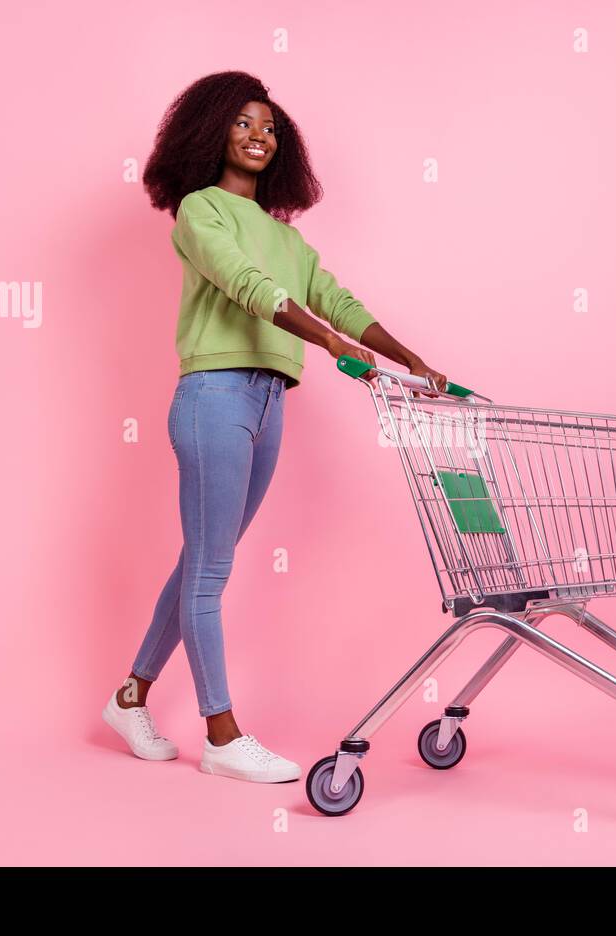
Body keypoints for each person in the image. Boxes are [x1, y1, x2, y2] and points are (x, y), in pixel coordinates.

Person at [101, 70, 446, 783]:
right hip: (214, 396)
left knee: (202, 561)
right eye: (242, 123)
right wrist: (327, 342)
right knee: (211, 570)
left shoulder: (288, 237)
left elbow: (335, 299)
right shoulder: (201, 210)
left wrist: (406, 355)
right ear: (211, 131)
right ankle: (221, 736)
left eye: (269, 127)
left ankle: (130, 696)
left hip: (268, 401)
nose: (258, 135)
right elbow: (246, 285)